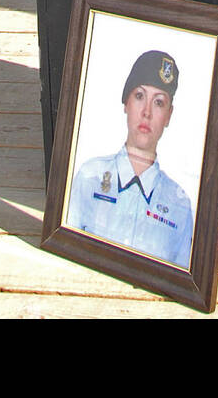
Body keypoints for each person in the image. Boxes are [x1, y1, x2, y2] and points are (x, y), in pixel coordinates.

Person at [66, 50, 194, 269]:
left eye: (159, 102)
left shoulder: (179, 205)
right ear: (126, 103)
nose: (146, 112)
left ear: (169, 115)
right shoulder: (90, 176)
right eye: (139, 96)